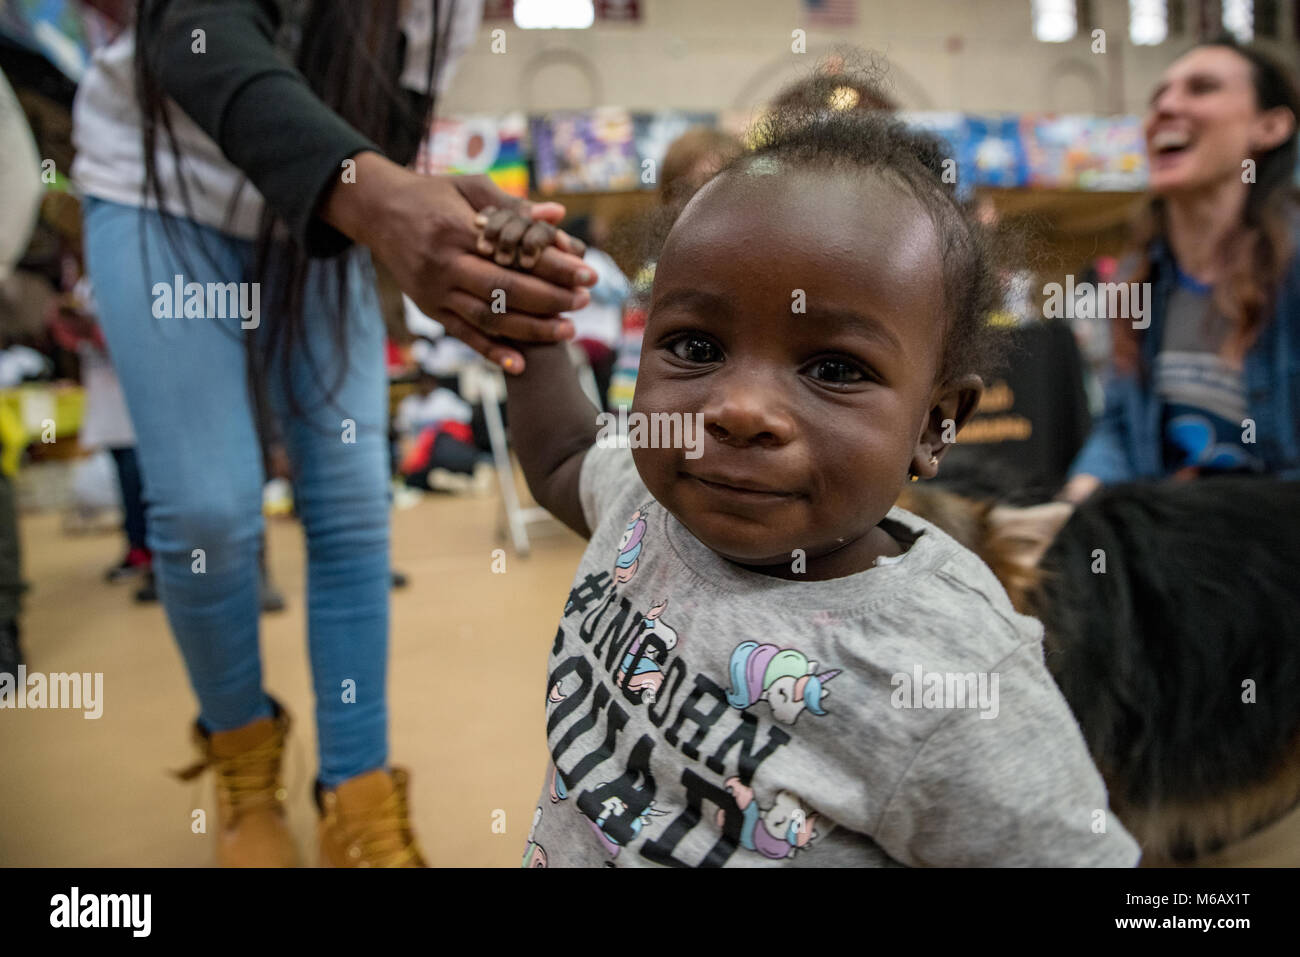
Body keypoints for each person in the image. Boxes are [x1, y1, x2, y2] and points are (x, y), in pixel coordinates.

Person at [483, 73, 1140, 867]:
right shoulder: (647, 505)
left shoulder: (951, 674)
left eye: (833, 368)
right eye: (696, 346)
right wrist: (523, 301)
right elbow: (562, 456)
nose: (741, 409)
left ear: (936, 424)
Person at [72, 0, 593, 867]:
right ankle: (245, 772)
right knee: (208, 511)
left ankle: (357, 792)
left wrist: (442, 221)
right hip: (157, 191)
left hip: (313, 224)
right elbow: (199, 35)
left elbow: (383, 117)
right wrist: (380, 199)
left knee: (353, 504)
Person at [1061, 36, 1300, 503]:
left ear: (1270, 126)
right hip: (1175, 533)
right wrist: (1073, 505)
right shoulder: (1142, 277)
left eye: (1202, 88)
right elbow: (1121, 427)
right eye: (1158, 97)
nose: (1166, 108)